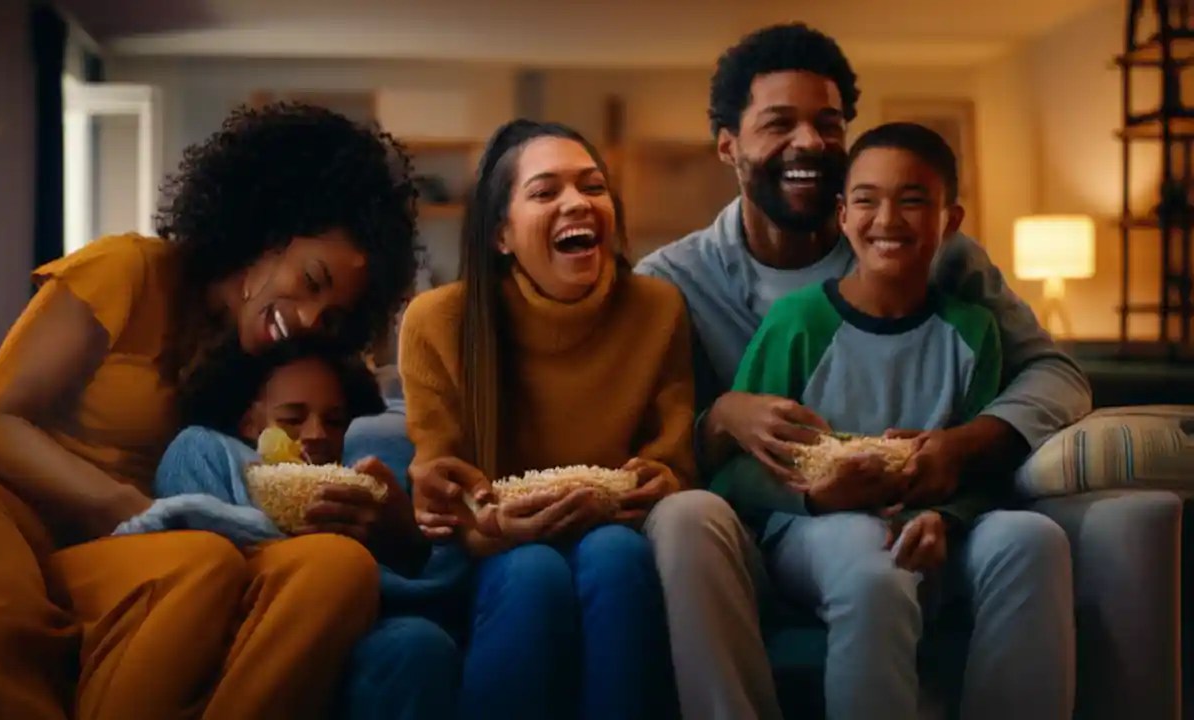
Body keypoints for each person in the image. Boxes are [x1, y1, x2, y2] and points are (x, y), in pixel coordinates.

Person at [631, 24, 1091, 720]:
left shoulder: (938, 260)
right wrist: (722, 417)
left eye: (828, 124)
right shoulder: (670, 282)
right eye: (779, 124)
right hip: (773, 528)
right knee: (695, 517)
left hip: (926, 516)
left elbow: (1055, 374)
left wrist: (965, 449)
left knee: (1028, 537)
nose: (810, 144)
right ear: (728, 145)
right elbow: (645, 435)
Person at [0, 102, 419, 719]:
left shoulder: (259, 360)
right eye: (311, 281)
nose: (312, 321)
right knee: (173, 565)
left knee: (333, 570)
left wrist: (391, 528)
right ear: (266, 232)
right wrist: (138, 510)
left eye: (334, 316)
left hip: (93, 544)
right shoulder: (126, 270)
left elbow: (285, 460)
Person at [707, 121, 1073, 719]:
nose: (888, 220)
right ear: (843, 216)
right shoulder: (798, 323)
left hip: (936, 528)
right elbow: (731, 473)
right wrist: (819, 497)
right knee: (873, 562)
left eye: (912, 202)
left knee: (1033, 537)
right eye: (867, 201)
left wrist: (946, 517)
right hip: (814, 531)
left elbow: (986, 467)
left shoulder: (973, 331)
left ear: (949, 222)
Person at [400, 119, 691, 720]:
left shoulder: (658, 308)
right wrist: (490, 522)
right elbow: (442, 481)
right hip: (496, 548)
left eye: (592, 187)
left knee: (615, 554)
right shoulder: (436, 321)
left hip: (618, 533)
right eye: (545, 192)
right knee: (532, 571)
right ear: (501, 234)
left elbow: (673, 459)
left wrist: (659, 482)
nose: (577, 203)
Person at [151, 335, 459, 720]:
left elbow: (440, 581)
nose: (316, 434)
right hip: (258, 634)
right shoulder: (204, 448)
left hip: (359, 631)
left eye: (334, 421)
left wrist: (403, 541)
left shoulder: (357, 479)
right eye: (292, 419)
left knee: (420, 643)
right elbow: (205, 565)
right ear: (250, 421)